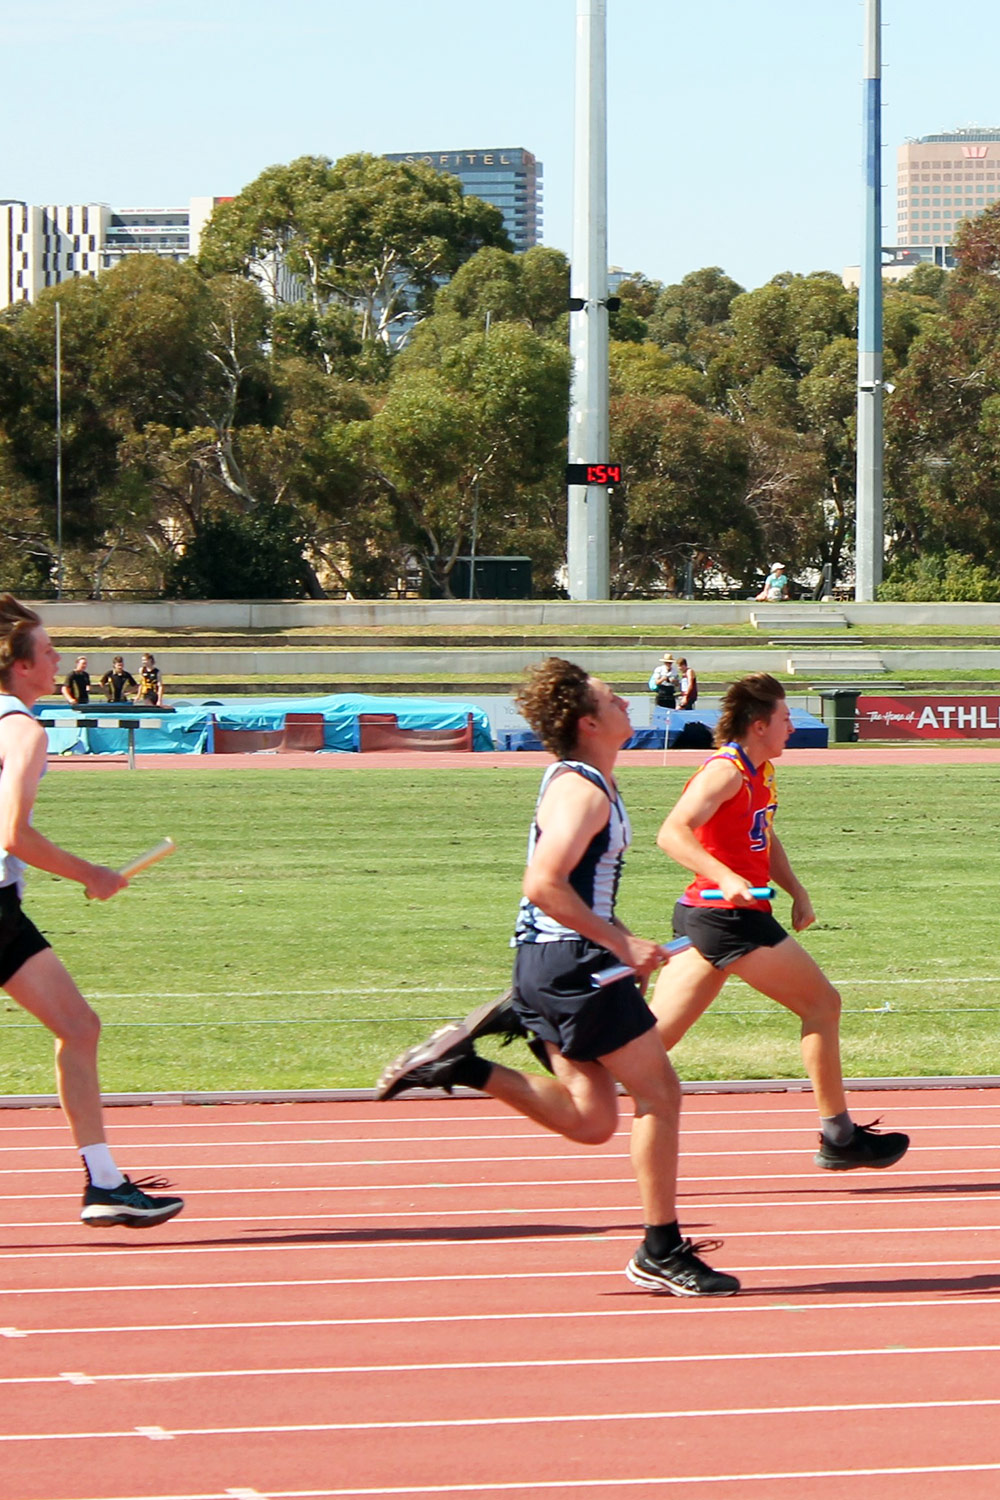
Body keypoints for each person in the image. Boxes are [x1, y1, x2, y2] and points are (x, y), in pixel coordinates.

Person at [376, 656, 739, 1298]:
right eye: (613, 699)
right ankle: (661, 1249)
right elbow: (543, 883)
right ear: (587, 723)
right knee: (660, 1094)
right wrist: (619, 943)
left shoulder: (586, 781)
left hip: (555, 962)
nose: (626, 703)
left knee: (592, 1121)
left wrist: (622, 941)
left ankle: (462, 1066)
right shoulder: (583, 790)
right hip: (574, 965)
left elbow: (576, 888)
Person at [650, 671, 909, 1172]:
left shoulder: (761, 771)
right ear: (759, 725)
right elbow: (671, 833)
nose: (792, 727)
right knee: (822, 1004)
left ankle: (567, 1054)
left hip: (712, 917)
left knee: (652, 1041)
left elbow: (762, 836)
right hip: (727, 917)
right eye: (786, 719)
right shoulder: (724, 772)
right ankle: (839, 1136)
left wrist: (797, 890)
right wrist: (725, 876)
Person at [0, 595, 184, 1228]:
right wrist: (94, 875)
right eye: (48, 652)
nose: (58, 661)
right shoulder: (24, 731)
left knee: (78, 1027)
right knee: (78, 1028)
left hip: (4, 913)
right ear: (21, 666)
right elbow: (13, 834)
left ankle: (104, 1182)